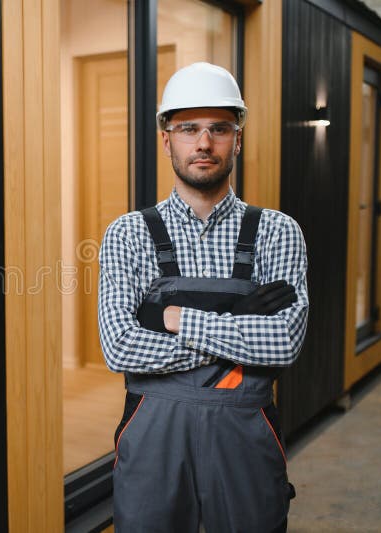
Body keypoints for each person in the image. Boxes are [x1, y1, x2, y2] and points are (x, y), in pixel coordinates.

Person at [97, 62, 309, 532]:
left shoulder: (277, 231)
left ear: (237, 138)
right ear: (166, 138)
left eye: (219, 128)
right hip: (154, 439)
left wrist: (171, 318)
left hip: (245, 436)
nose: (204, 142)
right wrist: (240, 321)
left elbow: (283, 344)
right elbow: (119, 347)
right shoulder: (128, 234)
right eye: (188, 128)